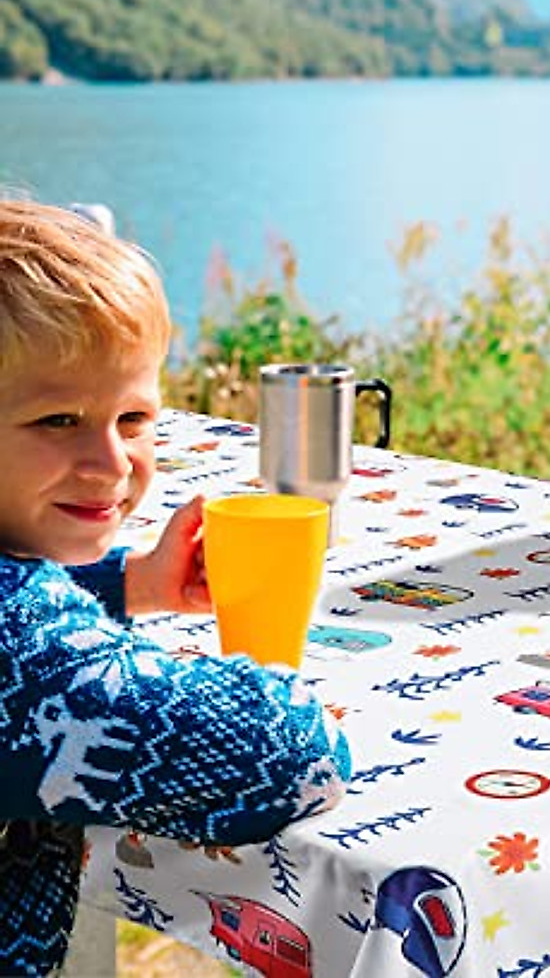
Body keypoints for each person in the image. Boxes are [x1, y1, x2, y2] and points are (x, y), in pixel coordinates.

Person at [0, 200, 352, 976]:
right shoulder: (24, 653)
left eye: (133, 417)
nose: (112, 463)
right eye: (57, 420)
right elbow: (293, 756)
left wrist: (128, 583)